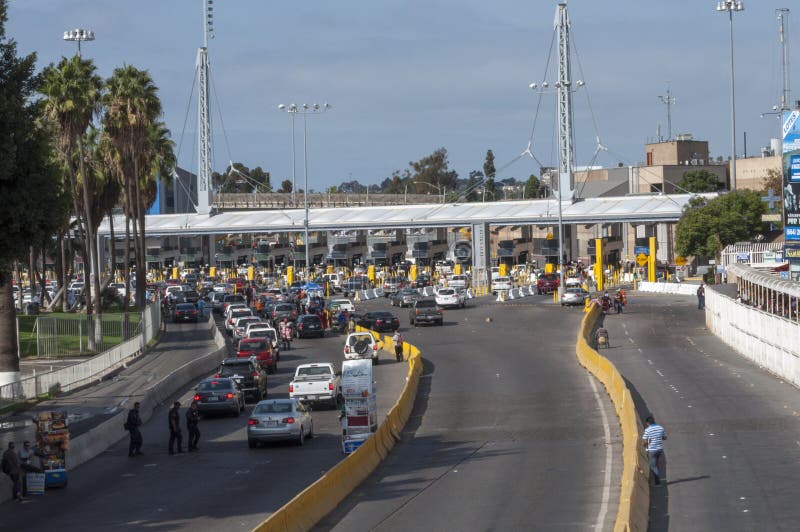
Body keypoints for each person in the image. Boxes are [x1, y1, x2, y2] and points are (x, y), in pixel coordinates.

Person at [642, 415, 667, 485]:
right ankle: (656, 478)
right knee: (656, 464)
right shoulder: (661, 428)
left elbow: (645, 441)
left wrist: (645, 444)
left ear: (648, 423)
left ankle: (657, 481)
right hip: (660, 450)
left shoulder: (647, 430)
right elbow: (665, 437)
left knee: (653, 466)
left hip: (652, 450)